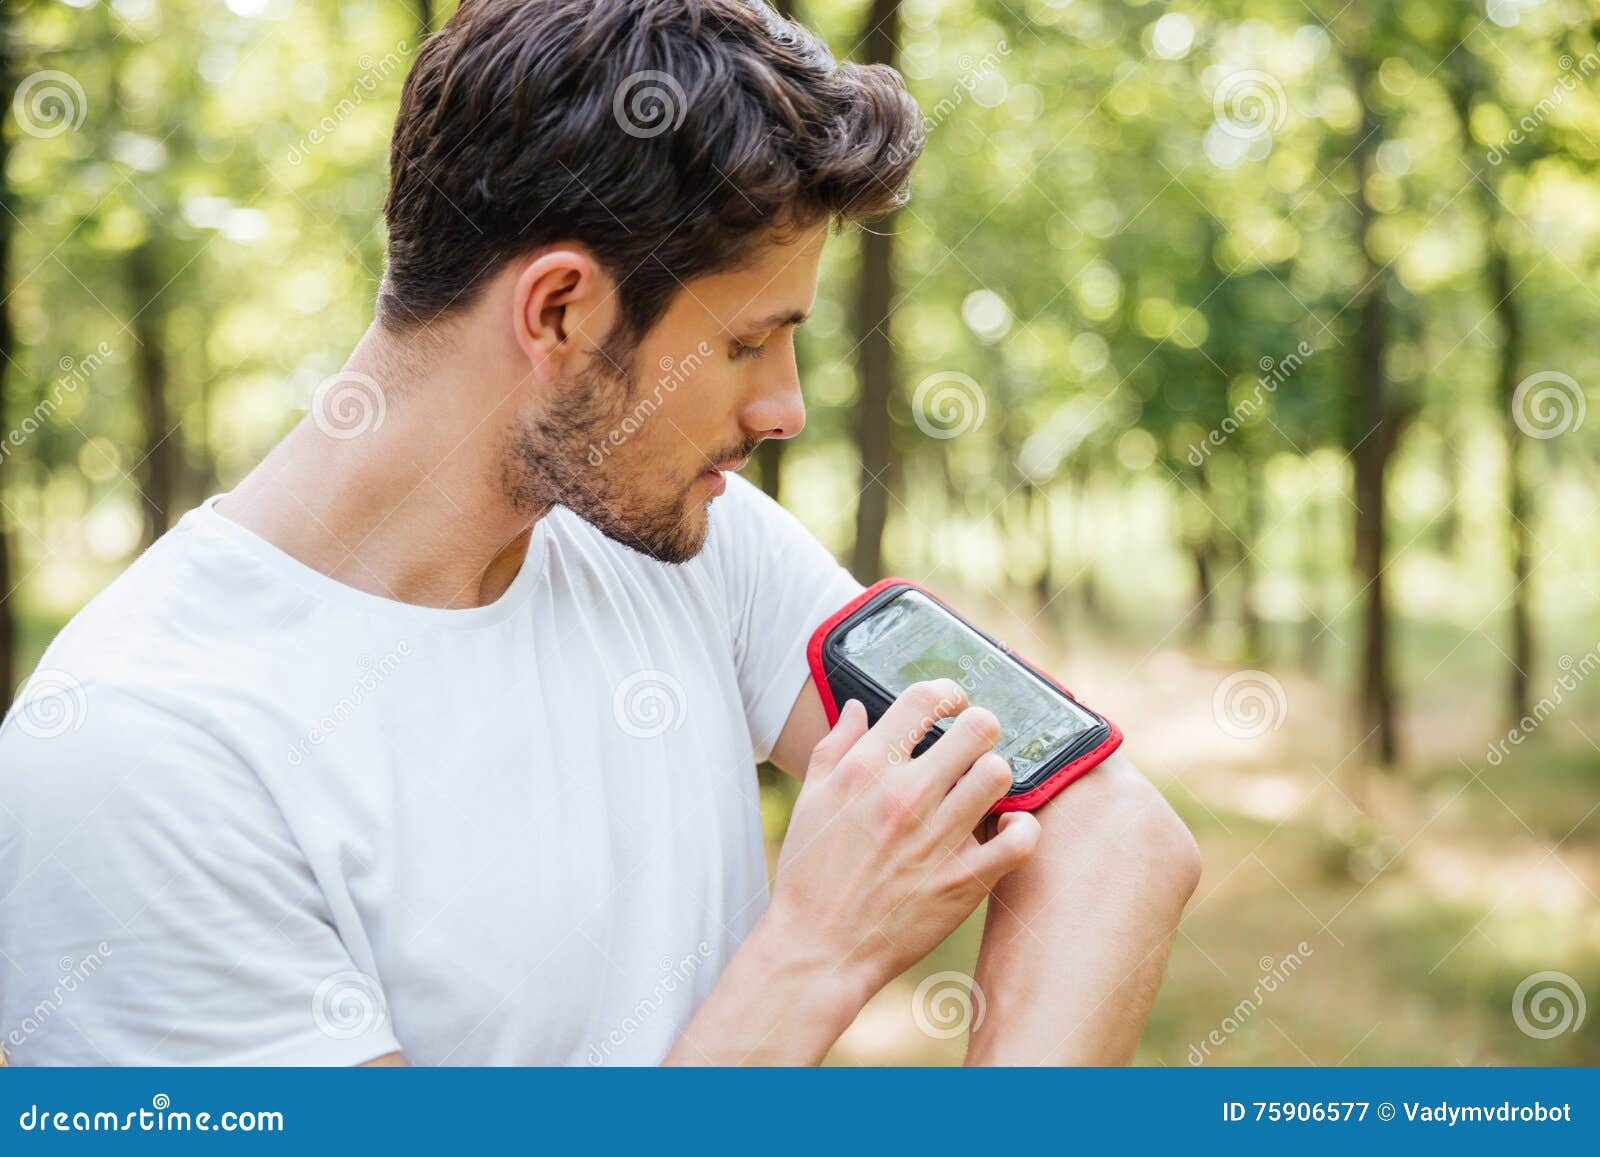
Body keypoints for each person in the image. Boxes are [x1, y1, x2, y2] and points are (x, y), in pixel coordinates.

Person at [0, 0, 1198, 1066]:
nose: (782, 406)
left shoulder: (688, 538)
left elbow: (1109, 829)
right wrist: (810, 958)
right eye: (745, 342)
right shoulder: (141, 757)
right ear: (560, 309)